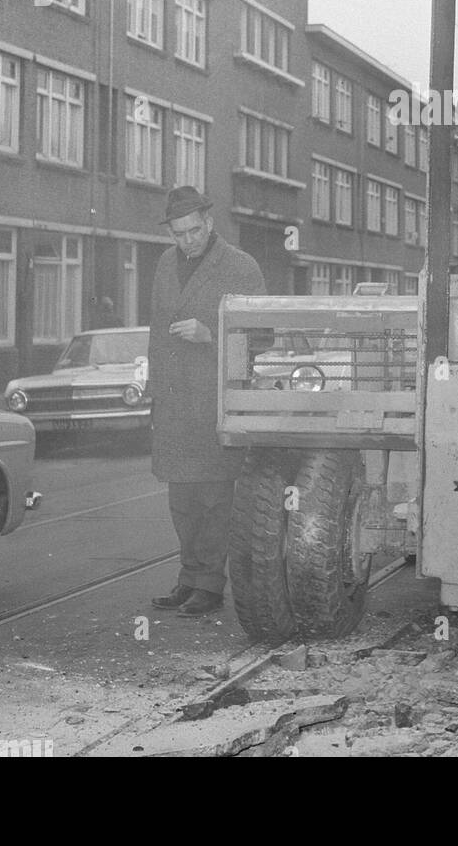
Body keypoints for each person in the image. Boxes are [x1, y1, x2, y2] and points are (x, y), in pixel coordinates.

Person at [147, 186, 266, 617]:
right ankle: (189, 577)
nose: (187, 241)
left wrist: (211, 334)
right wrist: (155, 390)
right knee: (182, 500)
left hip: (214, 403)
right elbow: (156, 331)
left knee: (215, 498)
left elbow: (261, 338)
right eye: (178, 234)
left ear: (209, 223)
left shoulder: (241, 267)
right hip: (175, 404)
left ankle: (211, 586)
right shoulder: (164, 265)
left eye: (194, 231)